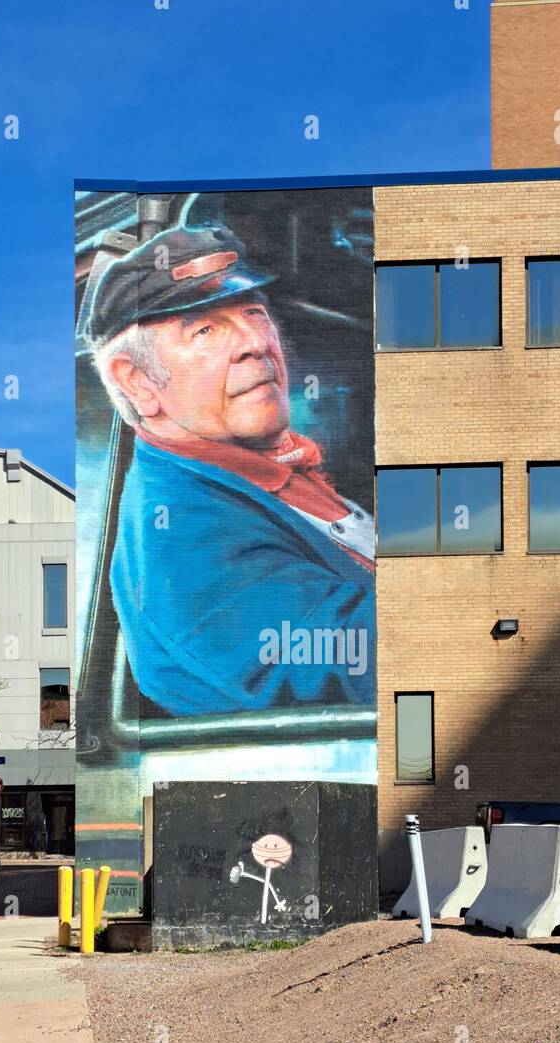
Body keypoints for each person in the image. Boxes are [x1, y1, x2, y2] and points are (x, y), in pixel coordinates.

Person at [85, 223, 375, 717]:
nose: (254, 342)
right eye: (205, 329)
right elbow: (361, 659)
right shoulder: (179, 536)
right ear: (136, 382)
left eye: (254, 313)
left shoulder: (270, 471)